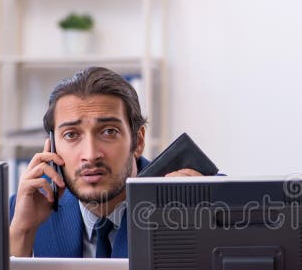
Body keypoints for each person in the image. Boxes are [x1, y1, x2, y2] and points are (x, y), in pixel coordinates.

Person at [10, 66, 201, 258]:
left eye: (109, 131)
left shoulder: (199, 200)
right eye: (71, 135)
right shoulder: (21, 211)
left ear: (138, 141)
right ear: (52, 147)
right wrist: (22, 232)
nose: (91, 154)